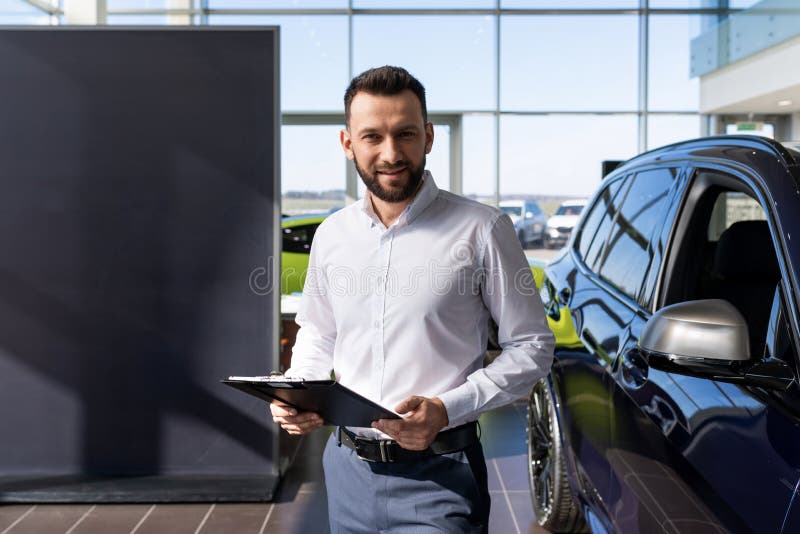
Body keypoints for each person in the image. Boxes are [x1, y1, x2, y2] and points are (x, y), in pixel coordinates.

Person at [270, 65, 554, 533]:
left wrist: (447, 409)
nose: (390, 153)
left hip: (441, 474)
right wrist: (297, 390)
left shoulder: (483, 229)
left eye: (405, 134)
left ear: (428, 136)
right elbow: (319, 333)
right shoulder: (332, 235)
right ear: (347, 143)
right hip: (346, 471)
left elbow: (533, 347)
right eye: (372, 137)